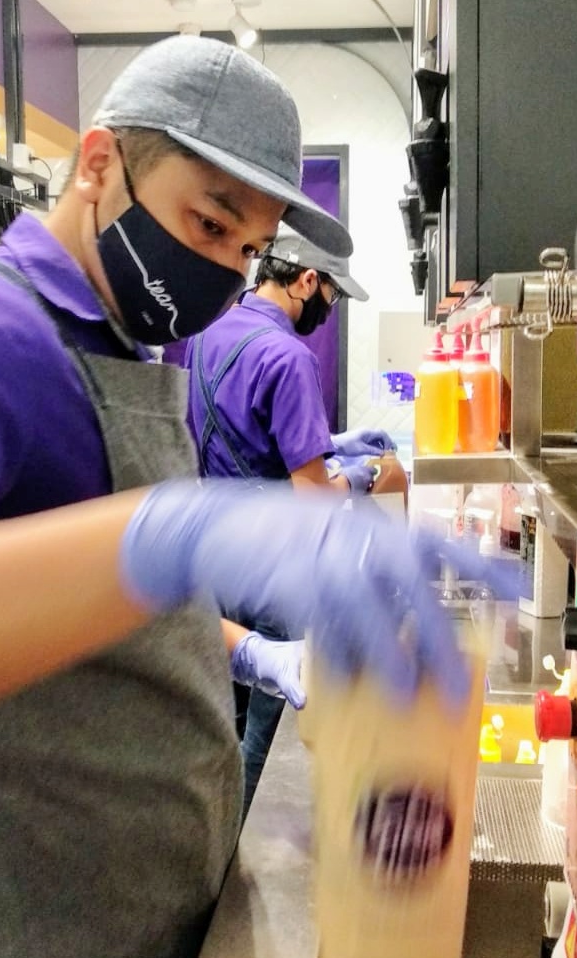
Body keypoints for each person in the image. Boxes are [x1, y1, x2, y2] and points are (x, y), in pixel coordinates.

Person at [0, 33, 513, 958]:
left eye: (245, 247)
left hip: (152, 907)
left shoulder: (128, 345)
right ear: (98, 162)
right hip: (53, 939)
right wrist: (169, 535)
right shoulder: (1, 339)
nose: (223, 266)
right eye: (209, 221)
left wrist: (258, 653)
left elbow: (122, 608)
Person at [185, 227, 396, 813]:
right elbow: (314, 501)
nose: (329, 313)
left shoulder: (209, 334)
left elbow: (247, 439)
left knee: (222, 715)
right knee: (266, 731)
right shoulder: (288, 356)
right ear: (307, 281)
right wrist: (363, 475)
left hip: (215, 556)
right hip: (274, 566)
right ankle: (242, 860)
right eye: (332, 296)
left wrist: (332, 442)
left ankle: (214, 833)